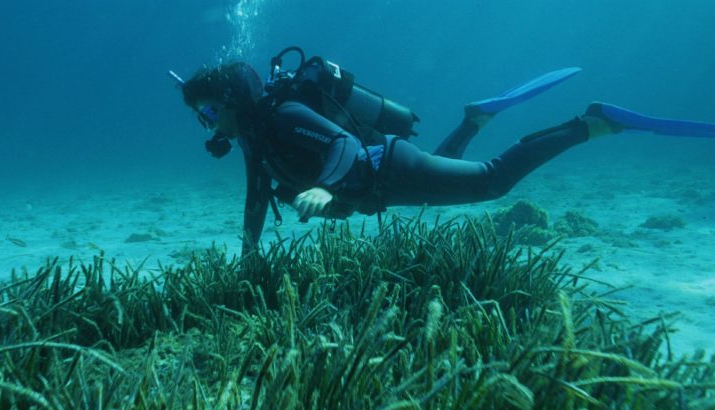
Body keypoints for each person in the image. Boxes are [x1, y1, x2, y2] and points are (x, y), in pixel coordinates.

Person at [171, 53, 715, 255]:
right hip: (384, 186)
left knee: (491, 183)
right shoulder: (254, 139)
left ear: (229, 100)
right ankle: (474, 119)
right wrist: (247, 256)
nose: (208, 125)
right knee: (453, 177)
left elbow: (341, 144)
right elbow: (255, 197)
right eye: (202, 119)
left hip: (387, 170)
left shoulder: (283, 117)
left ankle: (591, 124)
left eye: (209, 113)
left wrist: (326, 187)